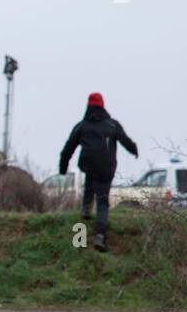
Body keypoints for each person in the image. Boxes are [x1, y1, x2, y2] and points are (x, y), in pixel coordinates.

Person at [59, 92, 138, 253]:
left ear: (88, 107)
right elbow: (125, 141)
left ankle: (86, 209)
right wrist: (134, 150)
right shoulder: (112, 125)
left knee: (90, 177)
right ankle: (100, 236)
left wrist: (63, 167)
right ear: (103, 106)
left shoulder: (82, 126)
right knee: (102, 201)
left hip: (88, 164)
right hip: (106, 167)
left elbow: (68, 148)